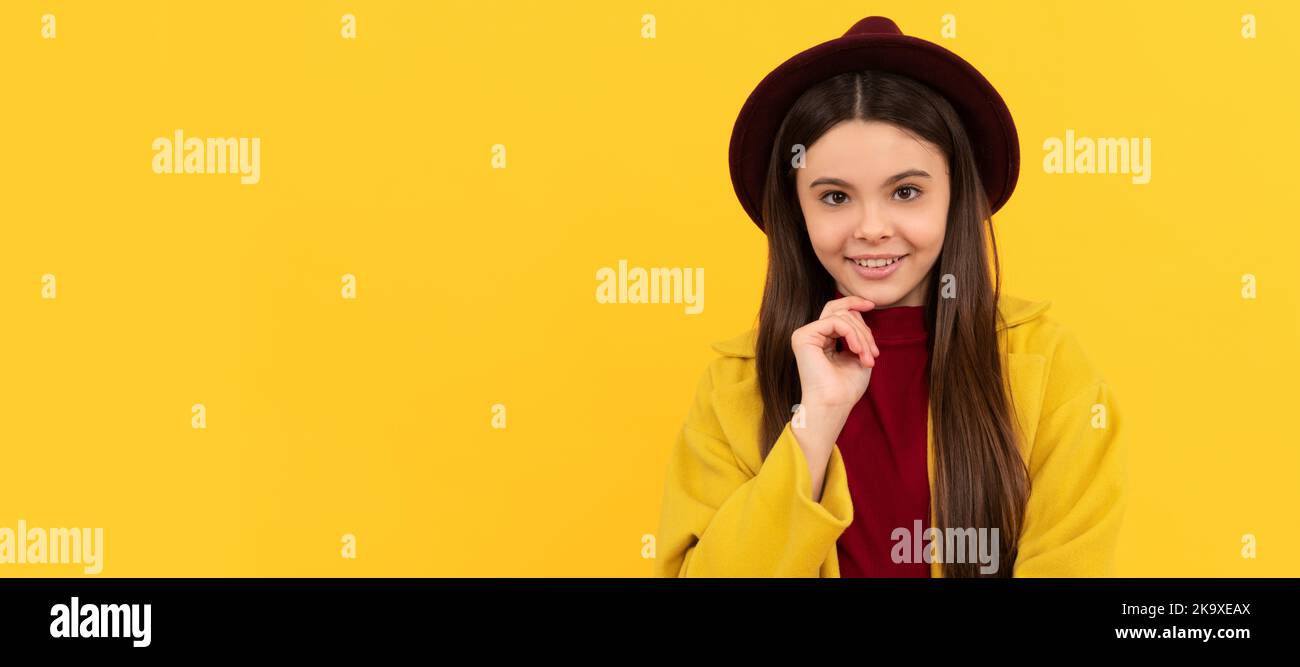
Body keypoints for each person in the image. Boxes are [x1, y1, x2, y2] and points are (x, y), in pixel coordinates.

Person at [654, 16, 1125, 577]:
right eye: (834, 197)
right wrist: (814, 423)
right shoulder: (734, 387)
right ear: (797, 210)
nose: (872, 227)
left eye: (906, 192)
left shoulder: (1052, 370)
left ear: (956, 196)